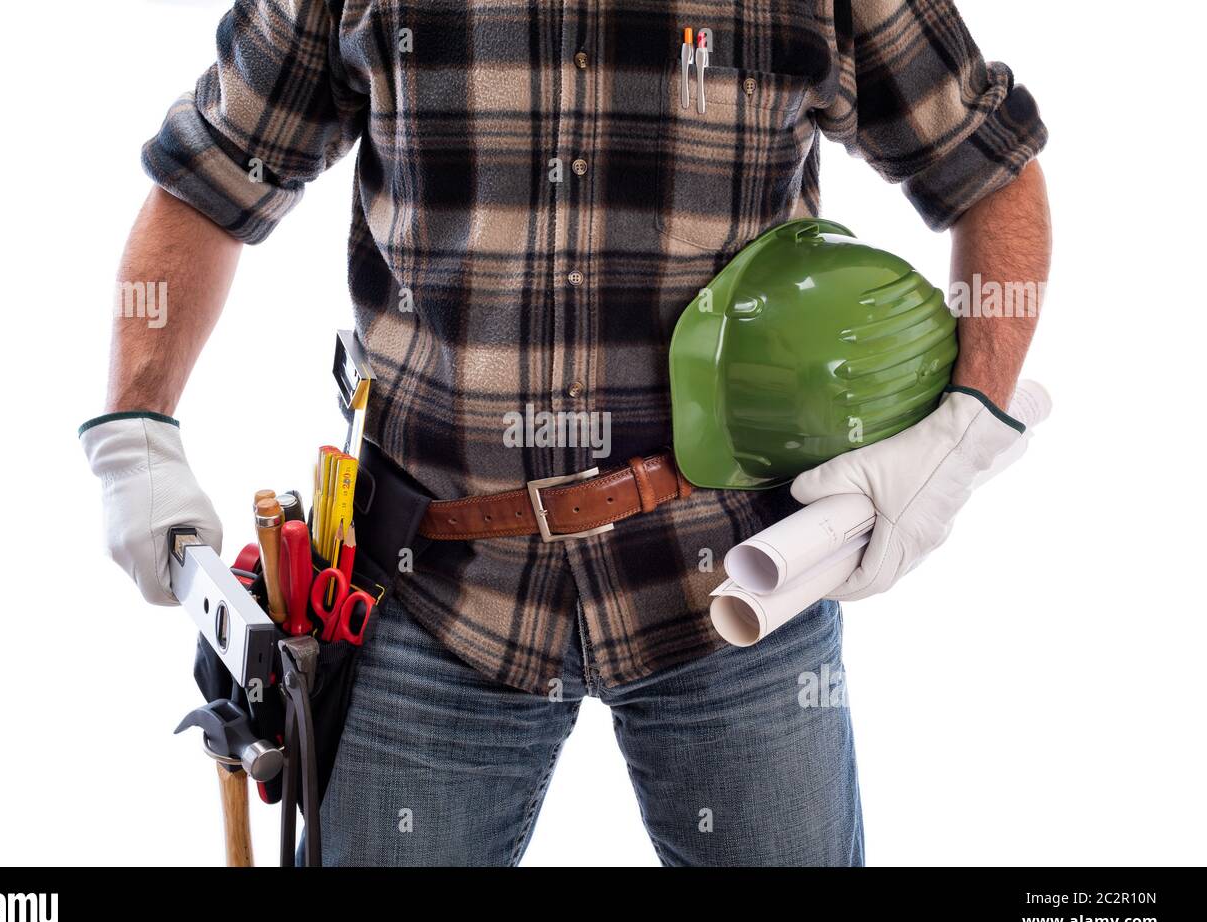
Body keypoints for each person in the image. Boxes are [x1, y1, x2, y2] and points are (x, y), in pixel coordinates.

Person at [81, 0, 1050, 866]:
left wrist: (960, 434)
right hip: (430, 589)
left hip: (739, 580)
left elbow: (989, 171)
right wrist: (136, 430)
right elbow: (208, 182)